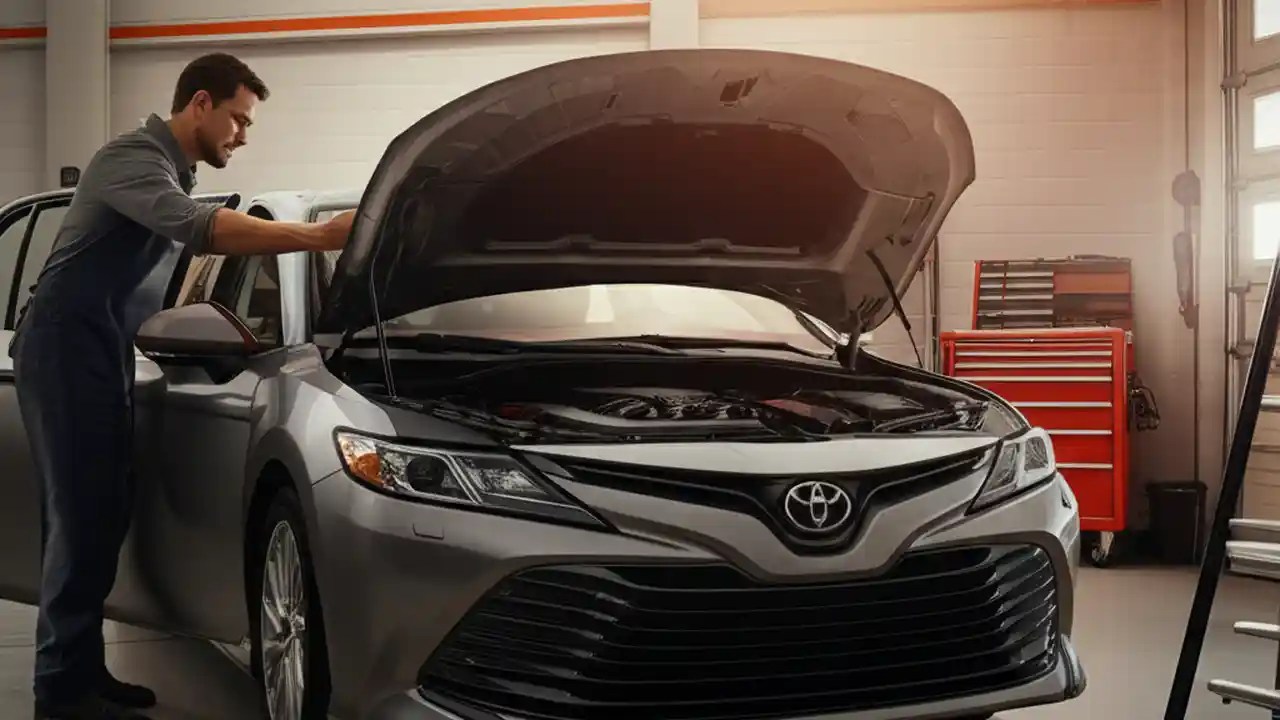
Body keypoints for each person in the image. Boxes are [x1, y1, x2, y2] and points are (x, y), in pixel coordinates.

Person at [9, 53, 355, 720]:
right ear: (200, 103)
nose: (243, 135)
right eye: (238, 119)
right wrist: (317, 236)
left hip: (102, 350)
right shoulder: (132, 158)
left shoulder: (175, 172)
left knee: (101, 513)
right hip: (64, 347)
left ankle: (81, 668)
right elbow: (204, 233)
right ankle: (59, 691)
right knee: (79, 516)